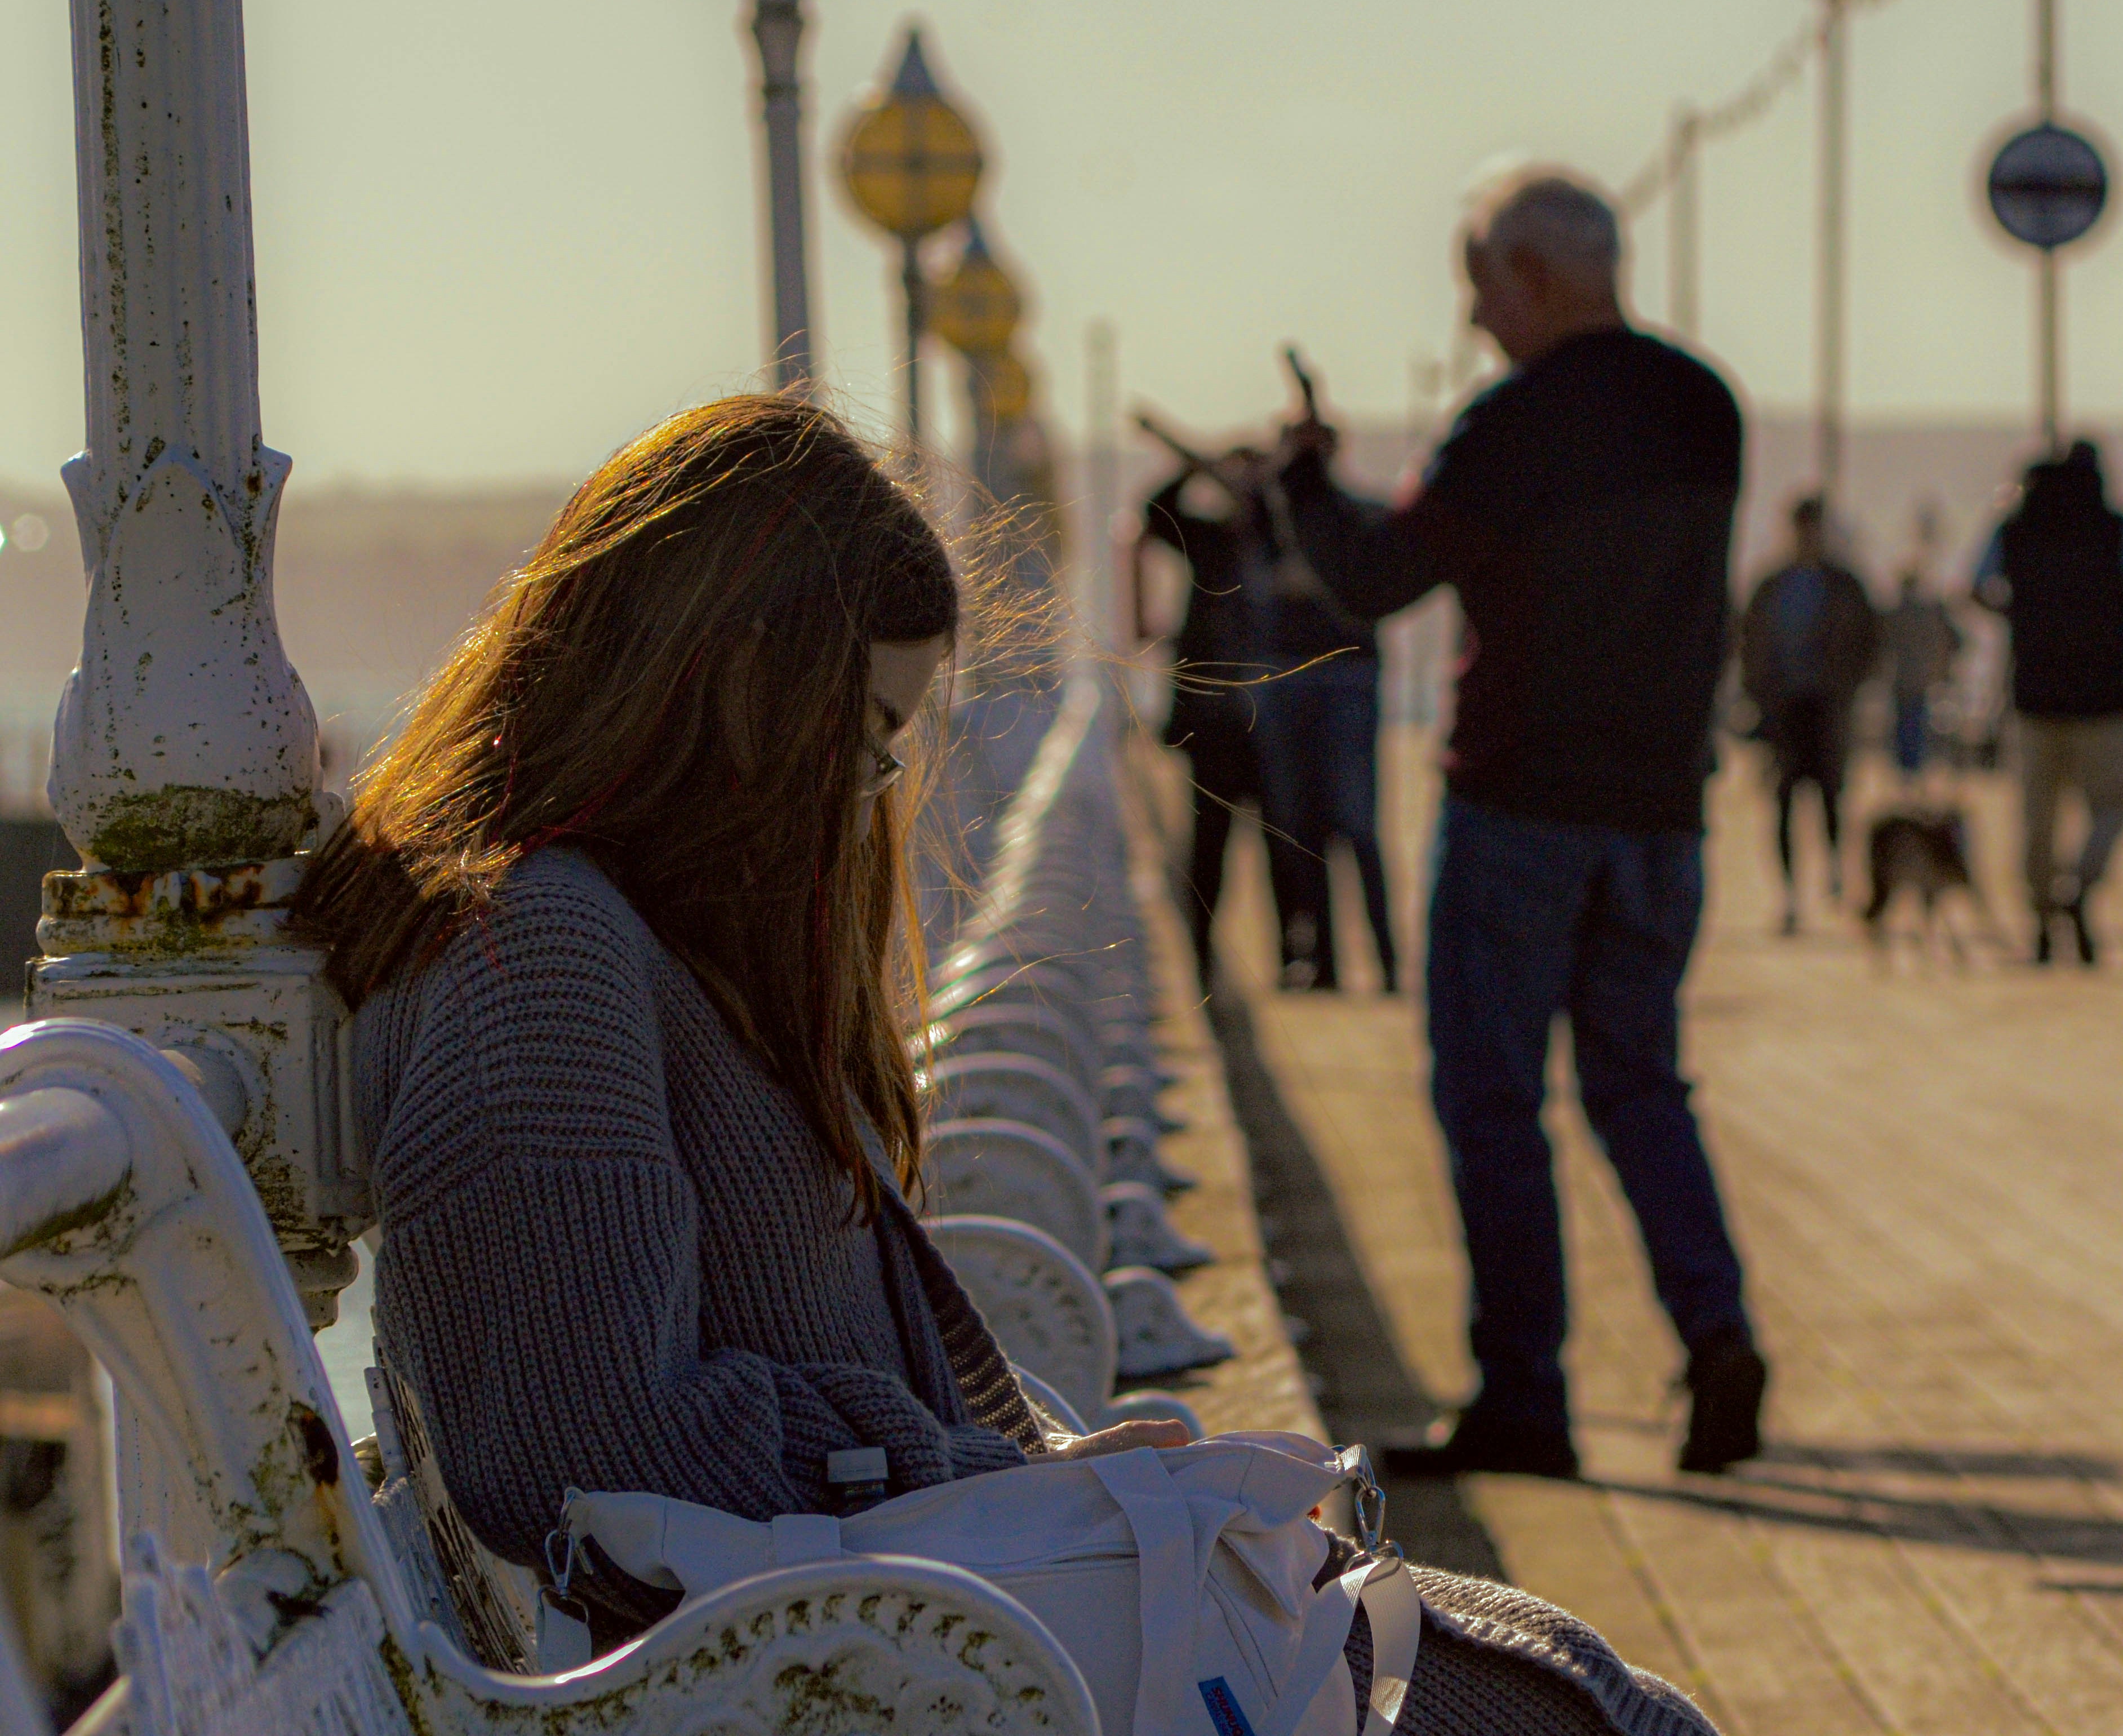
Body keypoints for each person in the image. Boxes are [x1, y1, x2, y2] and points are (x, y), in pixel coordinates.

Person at [295, 397, 1717, 1736]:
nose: (869, 797)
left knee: (1579, 1680)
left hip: (940, 1633)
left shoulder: (629, 939)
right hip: (924, 1659)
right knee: (1604, 1711)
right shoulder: (542, 955)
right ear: (732, 694)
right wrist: (969, 1474)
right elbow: (582, 1445)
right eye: (860, 743)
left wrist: (1040, 1476)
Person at [1281, 168, 1766, 1479]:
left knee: (1493, 1100)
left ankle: (1526, 1402)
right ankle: (1717, 1335)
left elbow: (1379, 577)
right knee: (1639, 1085)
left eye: (1483, 285)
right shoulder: (1701, 407)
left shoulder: (1515, 424)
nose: (1477, 316)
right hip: (1663, 815)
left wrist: (1306, 482)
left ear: (1535, 276)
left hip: (1522, 810)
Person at [1138, 450, 1329, 988]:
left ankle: (1293, 958)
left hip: (1275, 724)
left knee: (1283, 851)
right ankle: (1201, 959)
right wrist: (1196, 465)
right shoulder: (1208, 540)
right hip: (1214, 723)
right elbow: (1156, 514)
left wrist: (1265, 483)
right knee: (1209, 849)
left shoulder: (1279, 538)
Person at [1973, 439, 2123, 966]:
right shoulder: (2118, 528)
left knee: (2037, 819)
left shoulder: (2016, 527)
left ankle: (2039, 916)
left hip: (2035, 693)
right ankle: (2078, 887)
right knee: (2111, 807)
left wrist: (2022, 617)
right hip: (2107, 694)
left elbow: (1975, 587)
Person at [1252, 473, 1400, 992]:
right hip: (1288, 680)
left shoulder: (1356, 512)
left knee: (1357, 827)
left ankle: (1389, 965)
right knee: (1303, 832)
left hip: (1347, 679)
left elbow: (1386, 549)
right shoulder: (1262, 517)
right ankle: (1326, 967)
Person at [1737, 493, 1878, 933]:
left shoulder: (1844, 586)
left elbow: (1870, 642)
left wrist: (1848, 685)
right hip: (1784, 709)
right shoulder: (1772, 586)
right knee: (1783, 803)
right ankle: (1791, 894)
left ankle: (1835, 877)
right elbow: (1750, 646)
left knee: (1831, 799)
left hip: (1828, 706)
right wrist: (1758, 698)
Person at [1879, 570, 1962, 782]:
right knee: (1912, 726)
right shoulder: (1923, 612)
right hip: (1917, 679)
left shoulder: (1899, 613)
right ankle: (1911, 770)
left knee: (1910, 726)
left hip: (1909, 679)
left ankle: (1910, 770)